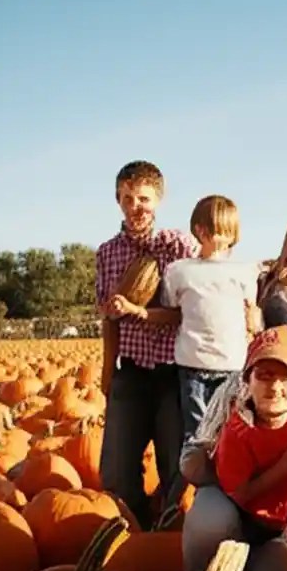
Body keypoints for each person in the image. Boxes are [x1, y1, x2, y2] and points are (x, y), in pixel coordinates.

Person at [95, 160, 197, 529]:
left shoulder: (178, 246)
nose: (134, 206)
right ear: (117, 200)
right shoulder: (108, 253)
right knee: (117, 471)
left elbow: (187, 314)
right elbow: (110, 320)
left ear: (158, 200)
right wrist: (108, 374)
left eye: (143, 198)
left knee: (176, 468)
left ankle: (169, 539)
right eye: (126, 198)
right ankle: (133, 536)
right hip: (132, 372)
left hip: (175, 372)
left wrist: (139, 311)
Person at [180, 325, 287, 571]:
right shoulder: (237, 430)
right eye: (264, 376)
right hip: (237, 508)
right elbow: (242, 494)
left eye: (286, 377)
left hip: (275, 531)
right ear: (248, 381)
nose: (275, 387)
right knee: (211, 520)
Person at [156, 195, 262, 461]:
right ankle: (194, 492)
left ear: (232, 234)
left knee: (231, 431)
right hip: (192, 364)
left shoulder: (244, 272)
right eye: (207, 228)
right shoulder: (179, 270)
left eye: (223, 231)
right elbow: (171, 308)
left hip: (232, 365)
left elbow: (251, 311)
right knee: (195, 435)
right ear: (197, 230)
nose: (214, 236)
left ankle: (225, 489)